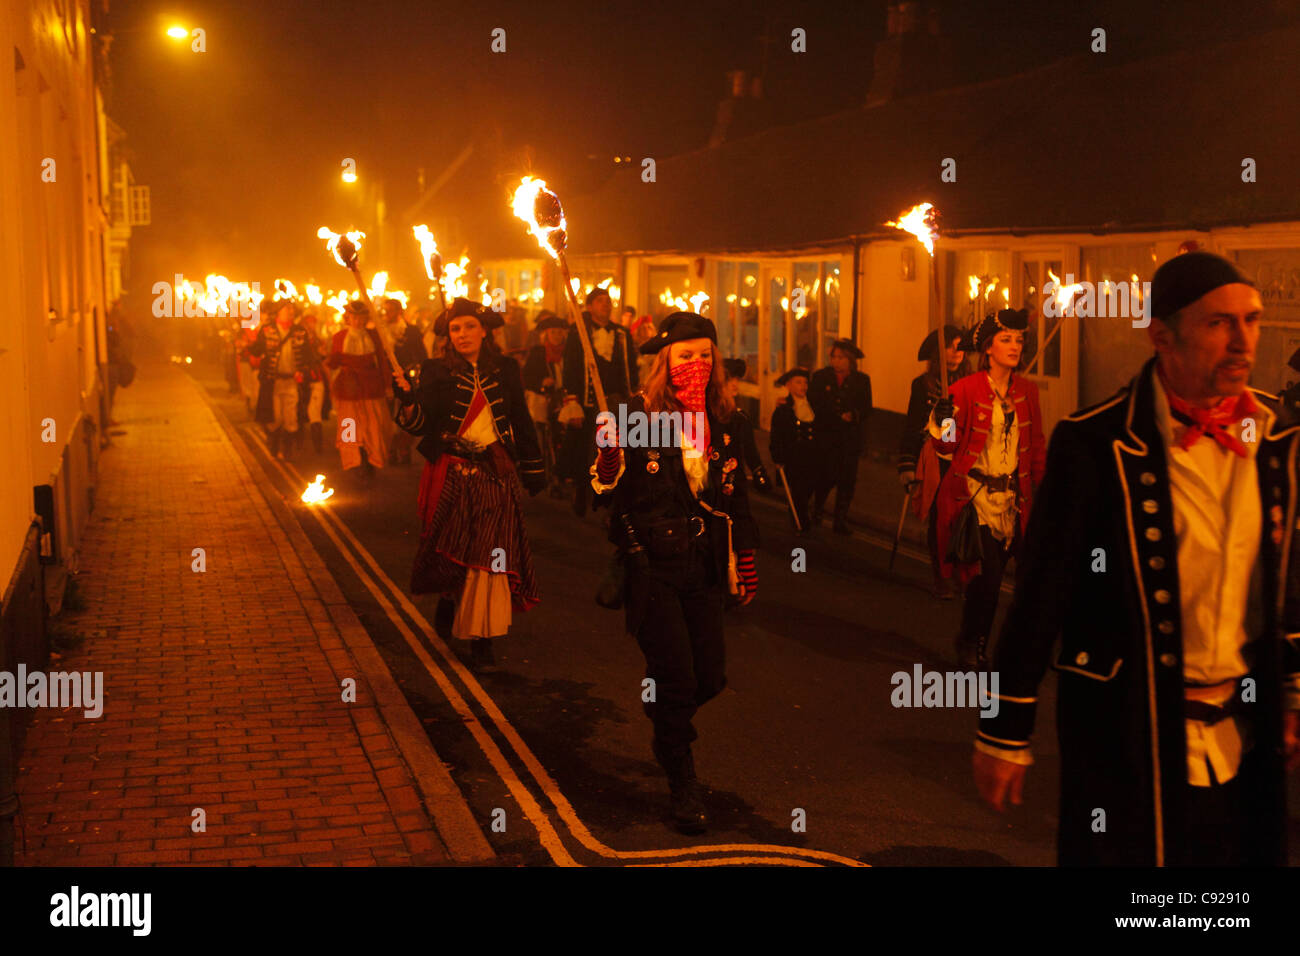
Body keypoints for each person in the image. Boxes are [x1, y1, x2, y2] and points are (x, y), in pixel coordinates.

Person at [973, 251, 1300, 867]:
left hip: (1244, 738)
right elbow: (1042, 594)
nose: (1243, 341)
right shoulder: (1094, 443)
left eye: (1252, 320)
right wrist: (1004, 729)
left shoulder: (1279, 434)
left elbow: (1289, 573)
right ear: (1162, 334)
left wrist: (1294, 687)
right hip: (1127, 736)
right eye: (1217, 324)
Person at [591, 311, 758, 834]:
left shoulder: (729, 419)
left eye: (705, 355)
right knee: (681, 679)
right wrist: (608, 463)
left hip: (705, 565)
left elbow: (739, 496)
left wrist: (746, 559)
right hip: (652, 566)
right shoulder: (634, 415)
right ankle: (682, 782)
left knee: (710, 677)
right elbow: (599, 492)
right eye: (686, 356)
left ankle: (665, 707)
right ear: (665, 362)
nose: (697, 364)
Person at [393, 298, 546, 670]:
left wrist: (534, 467)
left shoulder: (507, 368)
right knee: (452, 548)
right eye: (455, 329)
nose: (461, 334)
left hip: (495, 473)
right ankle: (449, 596)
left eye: (468, 327)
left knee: (490, 559)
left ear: (484, 331)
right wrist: (408, 398)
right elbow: (419, 426)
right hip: (451, 472)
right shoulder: (433, 371)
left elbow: (521, 419)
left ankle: (483, 639)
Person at [929, 308, 1045, 666]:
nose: (1015, 346)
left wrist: (1046, 492)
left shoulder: (1027, 390)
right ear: (988, 349)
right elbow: (945, 447)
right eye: (1006, 340)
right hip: (975, 498)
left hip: (1016, 500)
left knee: (1036, 582)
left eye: (1019, 340)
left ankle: (1021, 646)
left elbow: (1037, 444)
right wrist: (945, 420)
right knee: (987, 582)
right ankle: (971, 642)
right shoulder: (963, 389)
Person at [898, 325, 968, 598]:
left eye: (960, 347)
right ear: (937, 354)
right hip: (937, 460)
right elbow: (912, 425)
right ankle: (942, 576)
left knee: (964, 520)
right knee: (940, 520)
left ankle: (963, 572)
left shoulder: (972, 381)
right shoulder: (923, 385)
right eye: (950, 347)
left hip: (964, 458)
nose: (956, 353)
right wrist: (906, 465)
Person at [560, 287, 638, 516]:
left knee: (619, 449)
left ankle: (613, 498)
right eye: (600, 301)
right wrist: (572, 401)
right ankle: (583, 489)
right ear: (590, 306)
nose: (606, 304)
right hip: (589, 401)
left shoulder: (622, 334)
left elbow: (630, 368)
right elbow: (571, 368)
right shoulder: (579, 333)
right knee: (587, 449)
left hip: (618, 400)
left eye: (608, 301)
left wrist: (633, 395)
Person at [810, 338, 872, 534]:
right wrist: (830, 415)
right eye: (834, 357)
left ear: (850, 360)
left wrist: (853, 415)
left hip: (849, 440)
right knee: (825, 476)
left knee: (846, 480)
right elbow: (813, 402)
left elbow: (867, 407)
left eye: (841, 358)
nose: (836, 362)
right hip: (827, 436)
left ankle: (840, 519)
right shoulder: (821, 377)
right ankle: (817, 511)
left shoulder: (862, 380)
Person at [326, 300, 392, 482]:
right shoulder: (339, 337)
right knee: (350, 427)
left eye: (361, 317)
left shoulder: (374, 336)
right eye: (354, 317)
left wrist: (387, 385)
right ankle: (355, 461)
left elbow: (382, 361)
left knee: (373, 426)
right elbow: (334, 364)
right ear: (348, 318)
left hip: (371, 388)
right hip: (348, 389)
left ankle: (371, 460)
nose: (357, 321)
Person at [248, 298, 322, 460]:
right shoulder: (267, 330)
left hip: (292, 382)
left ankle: (287, 448)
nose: (291, 311)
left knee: (291, 418)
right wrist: (248, 343)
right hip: (273, 382)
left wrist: (308, 368)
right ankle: (274, 442)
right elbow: (256, 350)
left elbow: (308, 355)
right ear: (279, 311)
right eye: (287, 308)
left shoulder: (299, 331)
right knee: (275, 417)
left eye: (292, 308)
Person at [522, 312, 568, 496]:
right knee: (544, 438)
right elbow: (527, 377)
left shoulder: (568, 352)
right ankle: (547, 474)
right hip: (542, 399)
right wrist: (542, 382)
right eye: (553, 332)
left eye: (559, 332)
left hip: (563, 399)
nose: (557, 336)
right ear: (546, 334)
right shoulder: (537, 352)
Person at [768, 367, 817, 532]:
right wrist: (778, 458)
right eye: (798, 382)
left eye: (805, 382)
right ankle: (800, 522)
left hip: (812, 457)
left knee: (810, 487)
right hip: (793, 459)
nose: (803, 386)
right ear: (788, 385)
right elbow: (776, 436)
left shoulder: (814, 406)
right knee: (797, 491)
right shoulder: (783, 410)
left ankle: (804, 515)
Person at [381, 298, 429, 465]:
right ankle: (391, 450)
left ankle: (404, 448)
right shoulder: (379, 332)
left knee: (407, 416)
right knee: (388, 418)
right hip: (385, 380)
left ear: (399, 311)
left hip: (407, 378)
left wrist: (422, 375)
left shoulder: (412, 331)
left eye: (390, 310)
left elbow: (422, 355)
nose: (386, 314)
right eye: (385, 310)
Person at [721, 359, 770, 492]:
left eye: (737, 380)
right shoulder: (704, 415)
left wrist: (758, 471)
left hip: (734, 483)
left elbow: (750, 450)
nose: (735, 384)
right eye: (730, 380)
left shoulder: (740, 418)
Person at [298, 312, 332, 454]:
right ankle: (298, 444)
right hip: (300, 379)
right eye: (308, 323)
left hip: (316, 378)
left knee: (314, 412)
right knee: (298, 412)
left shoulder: (318, 341)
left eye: (313, 323)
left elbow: (324, 360)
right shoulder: (297, 340)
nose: (311, 326)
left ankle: (318, 446)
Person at [631, 314, 657, 386]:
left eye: (649, 327)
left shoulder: (657, 349)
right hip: (638, 386)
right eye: (643, 328)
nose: (646, 330)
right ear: (638, 331)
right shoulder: (633, 350)